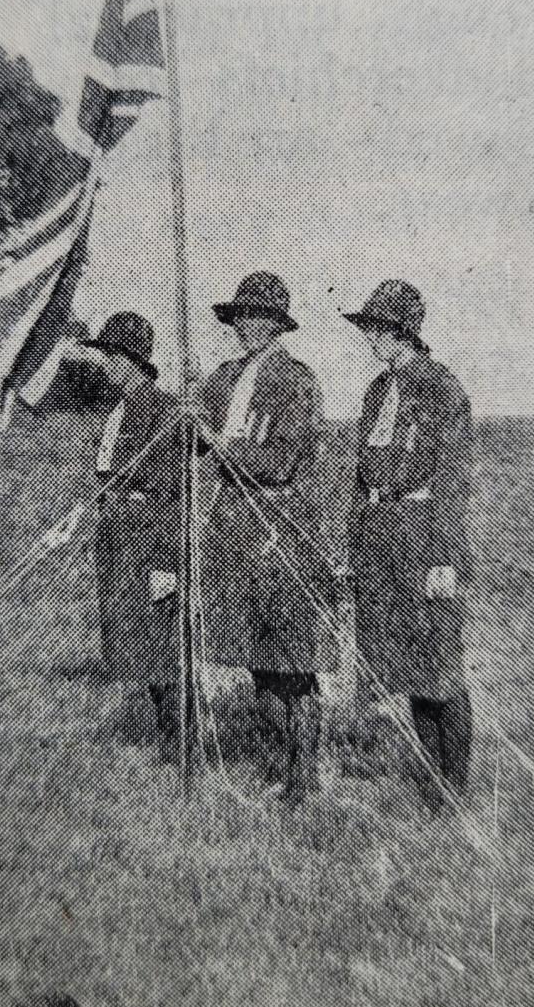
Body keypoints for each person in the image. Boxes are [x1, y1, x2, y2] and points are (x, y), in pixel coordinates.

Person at [197, 272, 336, 798]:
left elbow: (281, 461)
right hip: (232, 529)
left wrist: (222, 445)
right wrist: (189, 420)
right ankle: (283, 767)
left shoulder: (297, 381)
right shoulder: (223, 377)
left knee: (291, 661)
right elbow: (197, 441)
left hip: (280, 530)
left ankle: (305, 775)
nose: (246, 326)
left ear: (278, 324)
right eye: (240, 317)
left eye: (258, 317)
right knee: (255, 658)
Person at [343, 279, 475, 810]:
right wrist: (355, 538)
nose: (371, 338)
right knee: (407, 667)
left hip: (424, 538)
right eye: (369, 328)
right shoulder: (377, 390)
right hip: (379, 538)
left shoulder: (443, 388)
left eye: (379, 329)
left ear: (403, 332)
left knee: (439, 664)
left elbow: (453, 480)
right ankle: (432, 787)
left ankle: (454, 790)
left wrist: (443, 558)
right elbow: (361, 474)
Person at [80, 313, 182, 748]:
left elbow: (169, 489)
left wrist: (164, 561)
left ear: (132, 360)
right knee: (131, 636)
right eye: (104, 355)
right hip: (117, 535)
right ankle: (166, 733)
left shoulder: (162, 408)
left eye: (111, 355)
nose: (105, 364)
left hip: (148, 537)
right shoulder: (117, 411)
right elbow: (107, 478)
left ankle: (181, 739)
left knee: (160, 640)